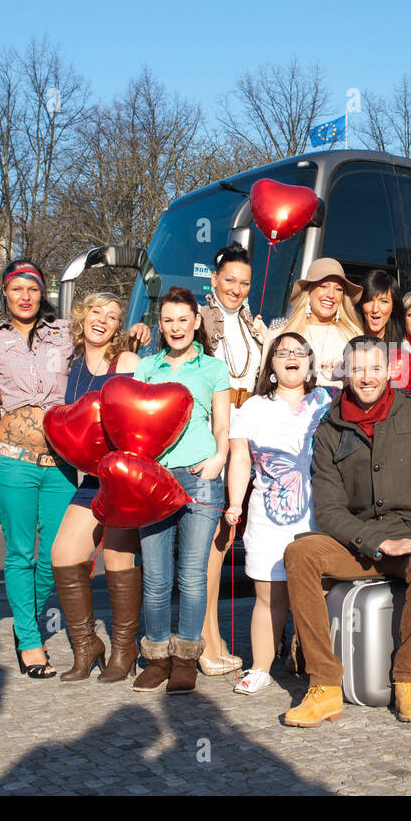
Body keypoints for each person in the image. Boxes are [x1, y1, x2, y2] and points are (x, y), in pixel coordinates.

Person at [281, 337, 411, 727]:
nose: (366, 377)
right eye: (357, 369)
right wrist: (378, 542)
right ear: (345, 373)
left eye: (375, 368)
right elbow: (328, 509)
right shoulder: (328, 428)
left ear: (390, 371)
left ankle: (407, 681)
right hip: (363, 543)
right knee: (300, 553)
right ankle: (324, 685)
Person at [131, 286, 231, 695]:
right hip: (154, 479)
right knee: (155, 577)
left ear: (196, 323)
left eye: (183, 320)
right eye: (168, 320)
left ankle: (186, 658)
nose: (176, 327)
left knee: (191, 576)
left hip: (200, 476)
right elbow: (132, 423)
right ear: (161, 324)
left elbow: (223, 424)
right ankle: (156, 659)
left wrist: (219, 458)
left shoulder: (213, 369)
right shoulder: (146, 368)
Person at [0, 260, 76, 678]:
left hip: (61, 463)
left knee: (56, 556)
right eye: (17, 289)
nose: (25, 296)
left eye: (33, 289)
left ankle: (27, 621)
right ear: (5, 293)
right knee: (21, 554)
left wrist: (137, 330)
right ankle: (30, 639)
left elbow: (104, 345)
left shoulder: (66, 333)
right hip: (13, 462)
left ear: (43, 294)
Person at [223, 333, 332, 695]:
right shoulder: (252, 408)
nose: (291, 357)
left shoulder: (327, 402)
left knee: (317, 595)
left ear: (310, 361)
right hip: (268, 517)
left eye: (299, 351)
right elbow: (240, 458)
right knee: (269, 596)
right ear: (271, 363)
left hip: (320, 516)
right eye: (282, 352)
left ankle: (319, 669)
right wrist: (235, 503)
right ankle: (260, 668)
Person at [49, 292, 142, 683]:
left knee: (117, 560)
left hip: (122, 476)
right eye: (97, 312)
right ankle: (87, 647)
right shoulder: (70, 365)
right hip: (90, 479)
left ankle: (124, 649)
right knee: (64, 556)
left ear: (119, 327)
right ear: (82, 316)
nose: (103, 320)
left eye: (113, 316)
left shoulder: (129, 363)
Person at [199, 247, 266, 677]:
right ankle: (205, 641)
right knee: (208, 542)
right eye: (229, 281)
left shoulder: (253, 324)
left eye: (244, 282)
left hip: (248, 434)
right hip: (213, 433)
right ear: (214, 281)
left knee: (227, 536)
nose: (237, 290)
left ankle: (215, 634)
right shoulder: (202, 320)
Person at [267, 258, 361, 388]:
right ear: (309, 291)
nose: (331, 295)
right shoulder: (280, 331)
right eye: (323, 286)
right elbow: (265, 382)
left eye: (338, 289)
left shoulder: (353, 336)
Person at [360, 269, 411, 388]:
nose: (375, 309)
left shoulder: (402, 347)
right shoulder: (348, 336)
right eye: (369, 300)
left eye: (384, 301)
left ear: (393, 307)